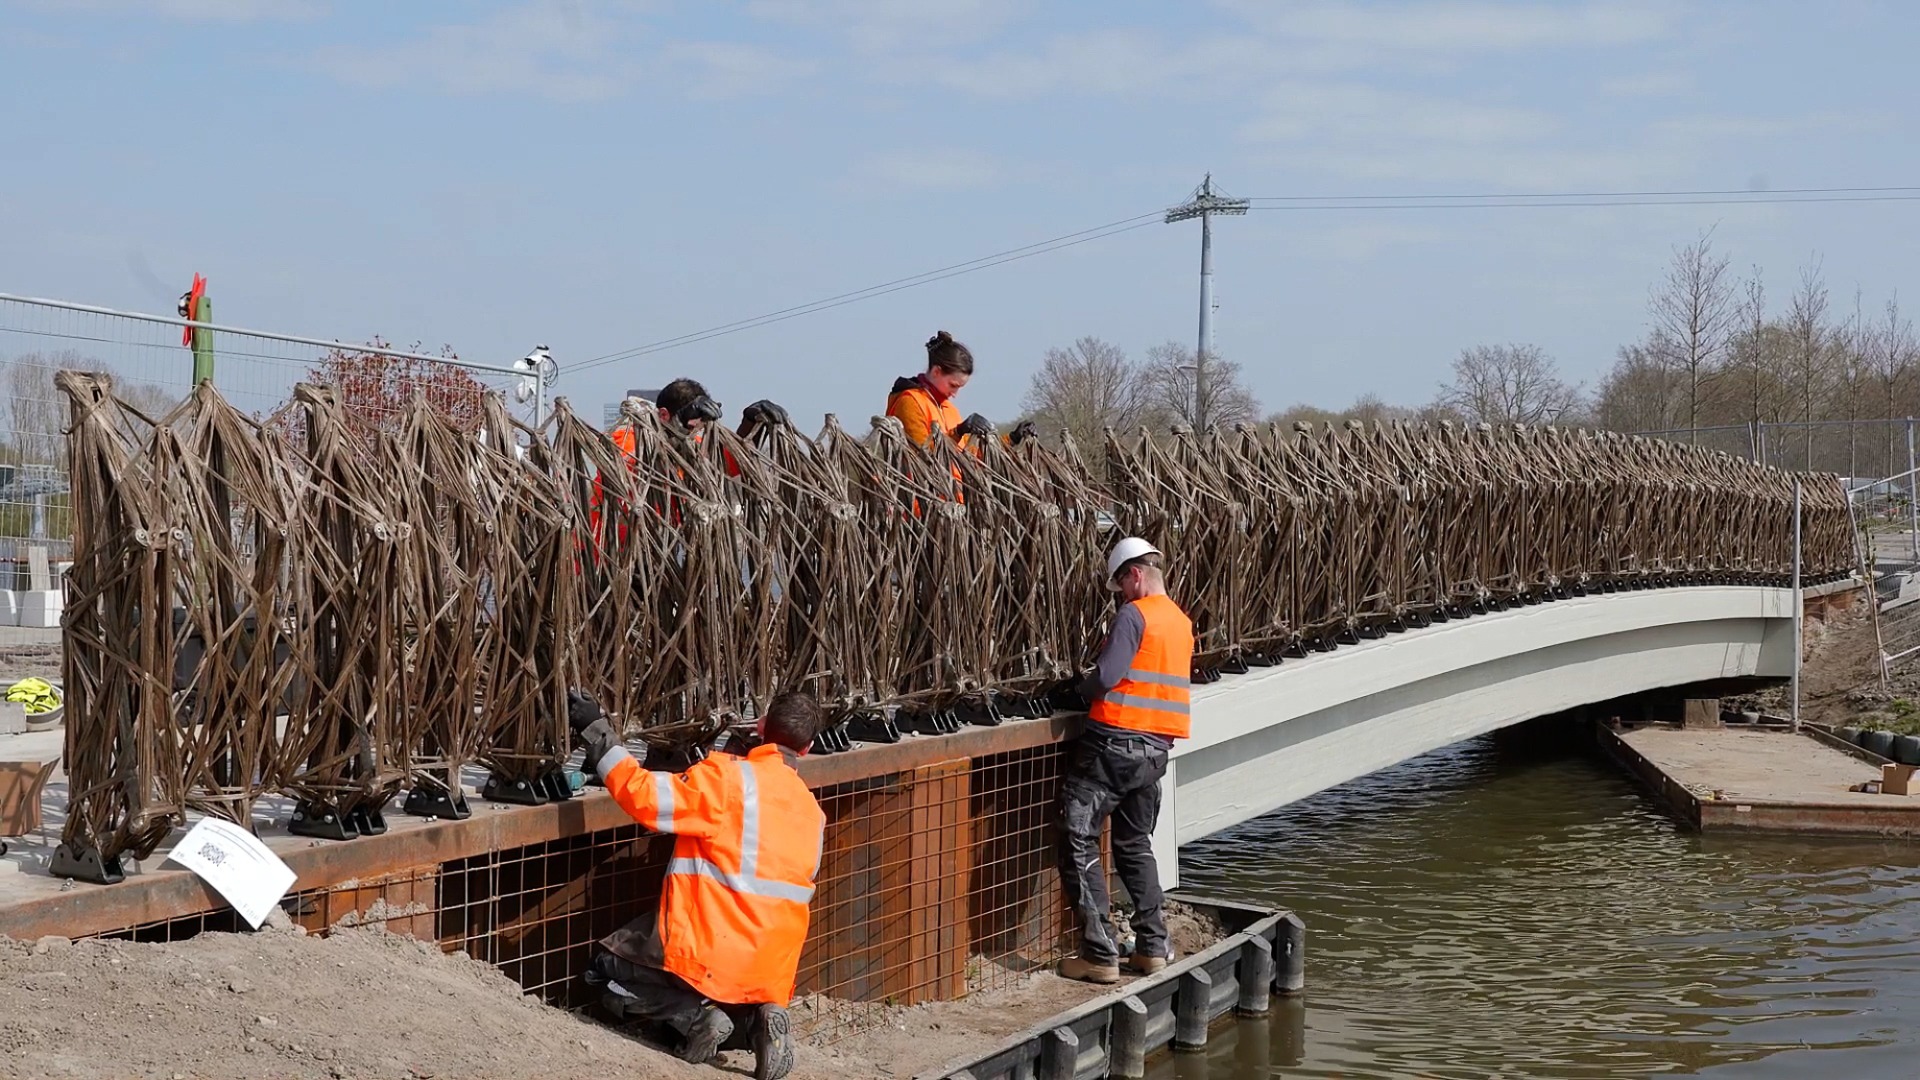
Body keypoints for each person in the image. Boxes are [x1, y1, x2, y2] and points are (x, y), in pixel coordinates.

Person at [570, 688, 827, 1078]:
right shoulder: (813, 813)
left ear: (760, 727)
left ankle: (695, 1019)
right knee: (735, 993)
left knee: (602, 971)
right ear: (806, 748)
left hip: (707, 954)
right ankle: (762, 1019)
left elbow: (645, 797)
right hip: (769, 973)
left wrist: (596, 730)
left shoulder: (726, 780)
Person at [1056, 536, 1194, 985]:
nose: (1121, 594)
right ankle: (1153, 947)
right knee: (1135, 846)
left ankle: (1100, 954)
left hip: (1111, 747)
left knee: (1077, 837)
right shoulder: (1180, 621)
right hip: (1154, 754)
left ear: (1135, 574)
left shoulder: (1135, 614)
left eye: (1121, 583)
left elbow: (1110, 676)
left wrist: (1076, 691)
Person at [886, 331, 998, 450]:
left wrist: (1012, 439)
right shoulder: (910, 402)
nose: (955, 394)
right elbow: (922, 455)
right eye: (953, 385)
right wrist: (958, 432)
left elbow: (972, 455)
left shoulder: (949, 409)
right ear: (936, 372)